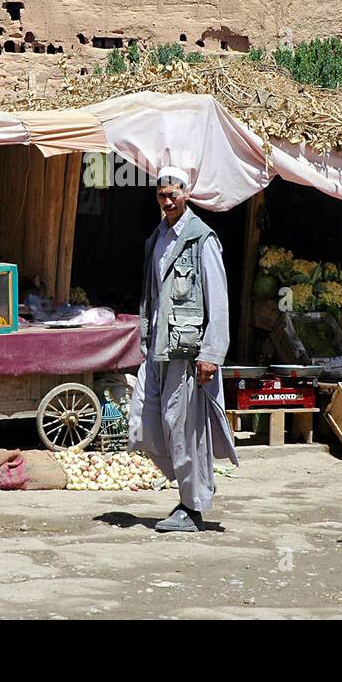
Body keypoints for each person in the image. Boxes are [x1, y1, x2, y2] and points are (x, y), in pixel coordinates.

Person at [128, 166, 237, 532]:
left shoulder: (202, 239)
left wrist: (211, 354)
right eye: (162, 195)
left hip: (187, 353)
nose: (168, 200)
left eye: (174, 194)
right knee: (147, 420)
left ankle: (192, 507)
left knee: (185, 428)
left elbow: (218, 301)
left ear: (187, 194)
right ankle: (185, 495)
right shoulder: (155, 239)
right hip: (157, 346)